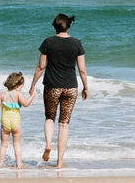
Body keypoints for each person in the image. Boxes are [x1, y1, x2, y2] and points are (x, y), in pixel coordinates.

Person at [27, 13, 88, 168]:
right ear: (68, 26)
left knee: (49, 118)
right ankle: (59, 162)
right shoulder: (77, 44)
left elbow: (41, 67)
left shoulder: (48, 42)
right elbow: (82, 69)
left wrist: (33, 84)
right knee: (64, 124)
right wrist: (86, 87)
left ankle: (48, 144)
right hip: (71, 88)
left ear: (55, 26)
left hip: (52, 86)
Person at [0, 71, 36, 167]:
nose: (21, 88)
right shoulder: (18, 94)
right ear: (17, 85)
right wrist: (32, 96)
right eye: (21, 86)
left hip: (5, 123)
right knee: (17, 144)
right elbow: (26, 104)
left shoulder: (2, 94)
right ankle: (19, 164)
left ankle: (0, 164)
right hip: (16, 123)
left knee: (3, 145)